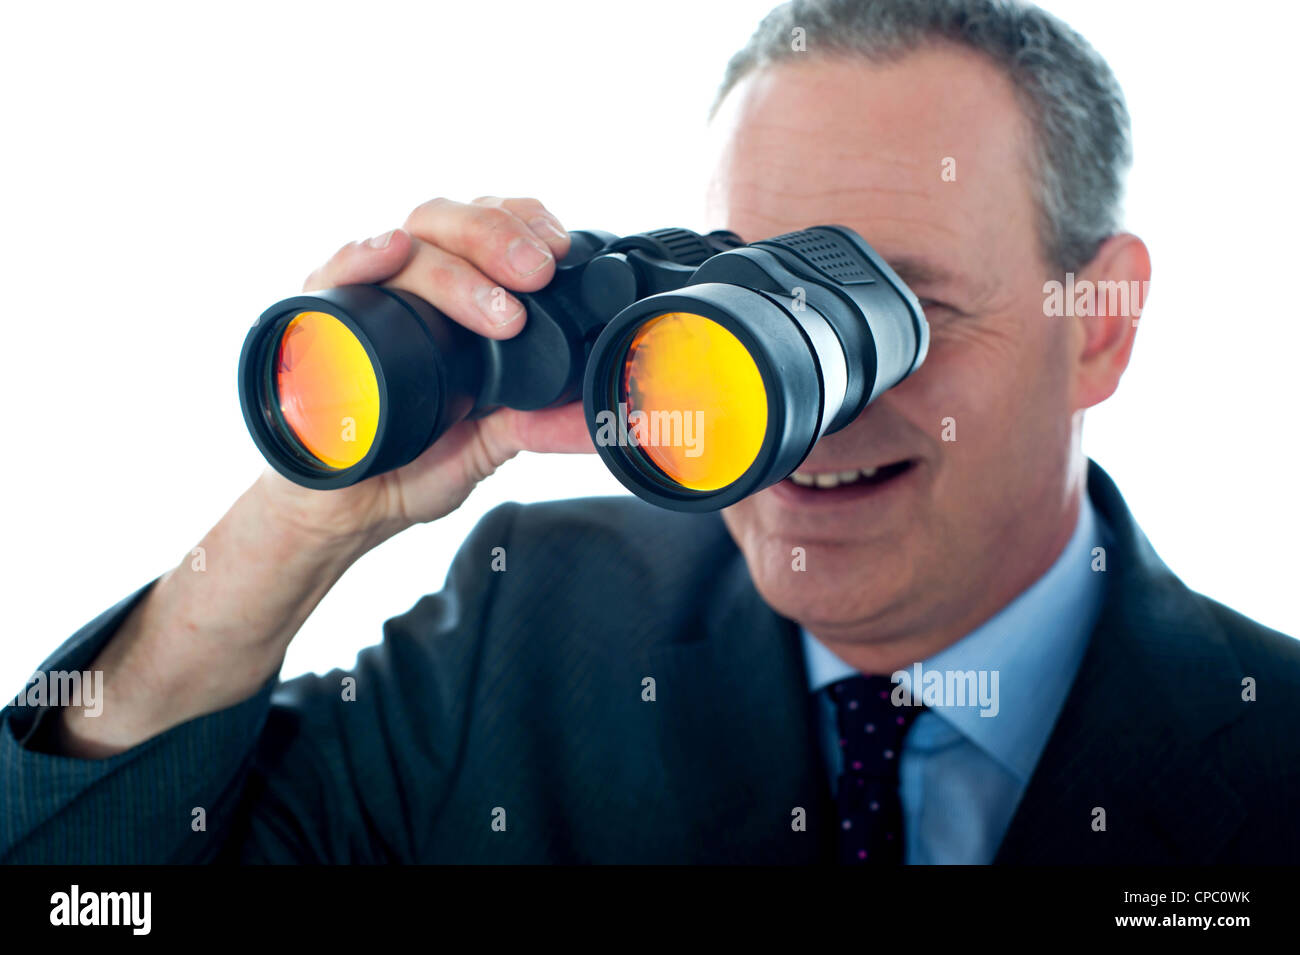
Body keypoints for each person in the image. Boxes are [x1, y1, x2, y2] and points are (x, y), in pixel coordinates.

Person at [3, 0, 1296, 864]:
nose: (796, 428)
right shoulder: (532, 633)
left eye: (894, 312)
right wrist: (301, 518)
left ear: (1102, 322)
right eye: (745, 308)